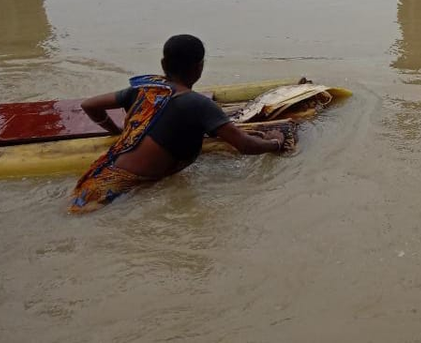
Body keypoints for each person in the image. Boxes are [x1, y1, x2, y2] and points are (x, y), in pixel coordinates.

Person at [69, 34, 288, 213]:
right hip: (117, 195)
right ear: (199, 67)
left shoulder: (144, 90)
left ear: (163, 64)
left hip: (93, 181)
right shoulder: (198, 104)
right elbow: (246, 146)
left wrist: (119, 133)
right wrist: (276, 142)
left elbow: (90, 105)